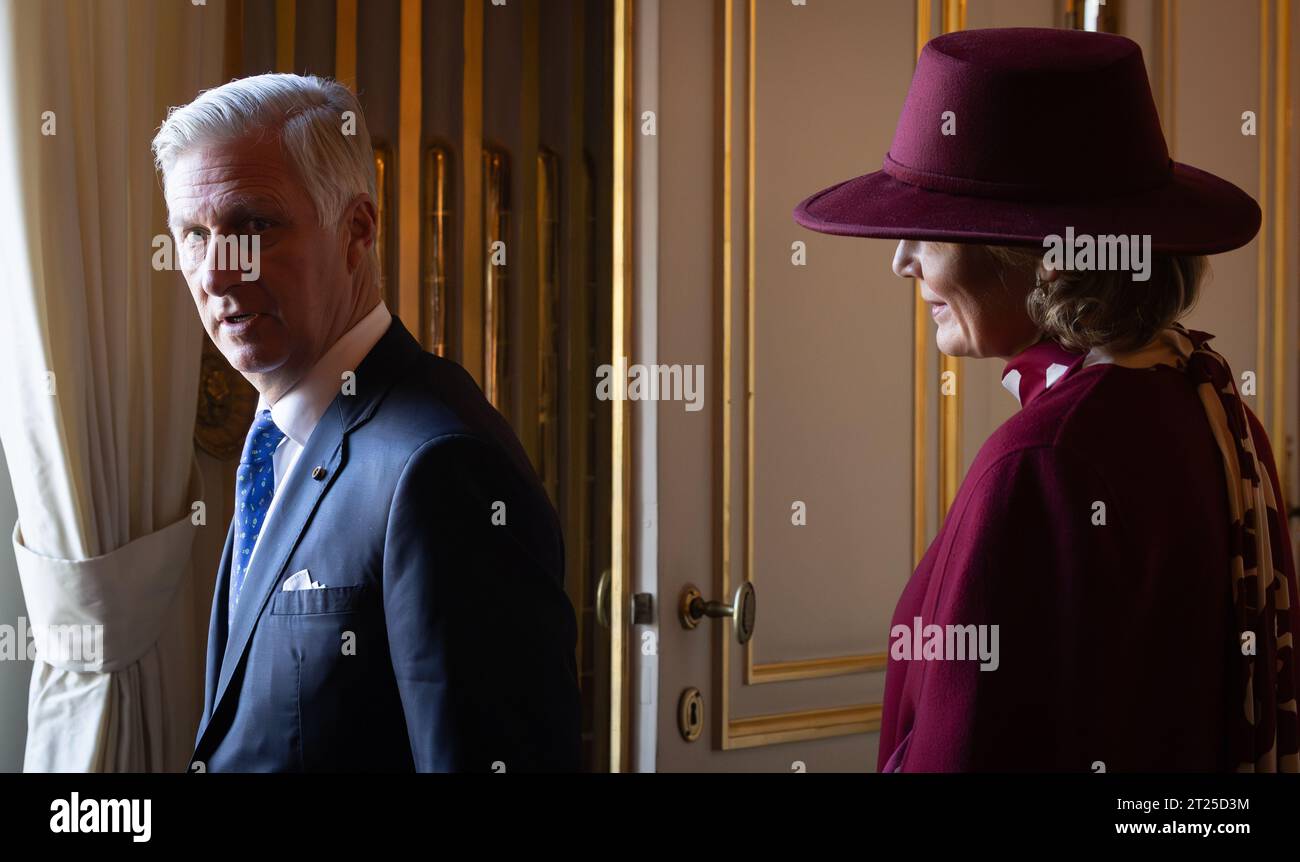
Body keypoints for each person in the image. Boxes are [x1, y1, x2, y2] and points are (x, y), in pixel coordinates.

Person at [794, 27, 1299, 772]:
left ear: (1040, 259)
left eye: (928, 231)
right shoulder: (1214, 405)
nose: (901, 260)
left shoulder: (1045, 460)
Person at [152, 73, 580, 771]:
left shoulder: (442, 466)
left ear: (357, 231)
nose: (217, 274)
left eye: (254, 225)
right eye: (194, 236)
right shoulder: (280, 439)